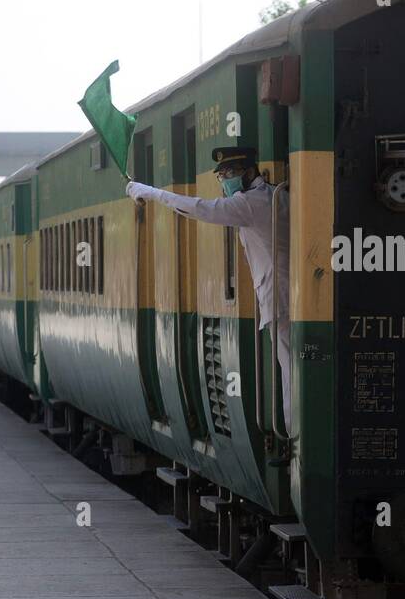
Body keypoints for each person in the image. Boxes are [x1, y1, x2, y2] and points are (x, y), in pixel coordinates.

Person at [125, 146, 292, 427]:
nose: (226, 179)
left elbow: (200, 208)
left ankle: (296, 442)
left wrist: (151, 192)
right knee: (291, 374)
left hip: (281, 301)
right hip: (286, 298)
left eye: (231, 173)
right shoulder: (275, 195)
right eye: (222, 175)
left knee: (290, 377)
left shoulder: (250, 204)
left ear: (250, 172)